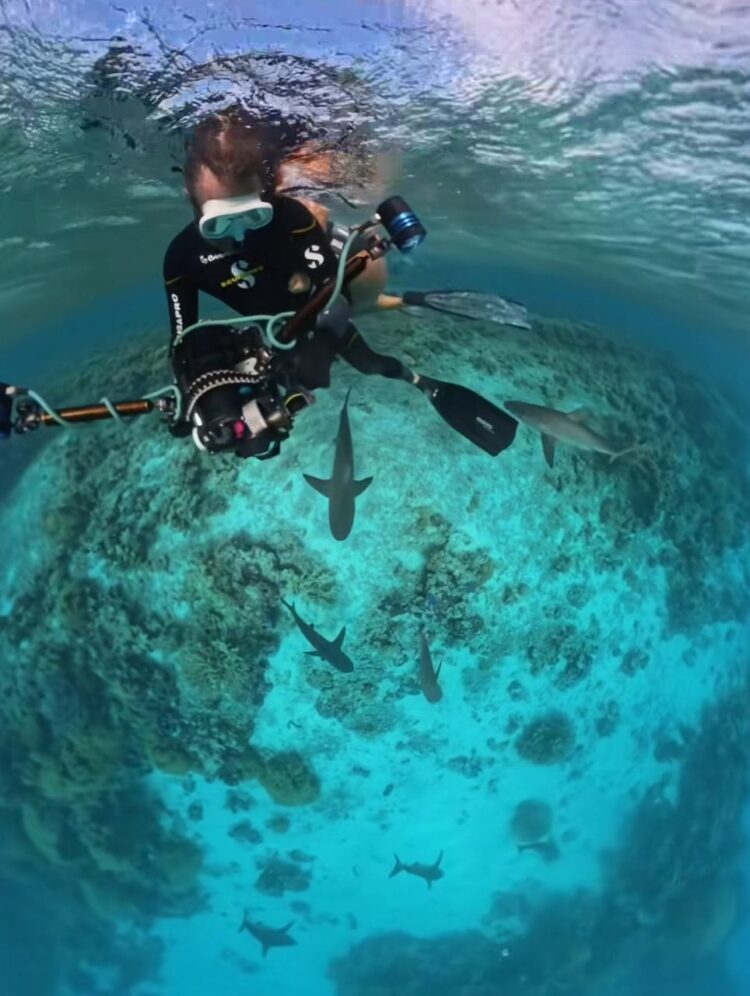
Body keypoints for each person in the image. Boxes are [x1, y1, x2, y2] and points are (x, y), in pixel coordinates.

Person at [163, 110, 520, 456]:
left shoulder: (291, 218)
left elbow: (334, 291)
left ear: (268, 196)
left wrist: (320, 345)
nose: (238, 235)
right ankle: (404, 301)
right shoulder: (180, 259)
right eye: (219, 224)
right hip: (275, 332)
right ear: (192, 204)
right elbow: (182, 340)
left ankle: (423, 382)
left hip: (314, 311)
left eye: (253, 216)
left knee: (370, 362)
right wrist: (191, 399)